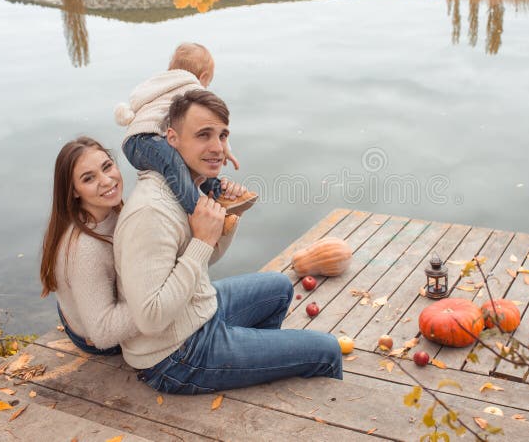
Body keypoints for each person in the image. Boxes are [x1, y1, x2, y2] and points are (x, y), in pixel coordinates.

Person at [114, 90, 343, 394]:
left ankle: (250, 372)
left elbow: (204, 258)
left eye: (222, 136)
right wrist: (202, 240)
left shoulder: (187, 188)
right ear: (172, 138)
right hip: (174, 355)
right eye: (203, 135)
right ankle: (236, 366)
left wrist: (227, 216)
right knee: (327, 350)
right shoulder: (150, 213)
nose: (217, 148)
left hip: (194, 314)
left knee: (279, 287)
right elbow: (150, 317)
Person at [114, 42, 255, 234]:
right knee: (174, 162)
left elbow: (135, 99)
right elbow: (213, 119)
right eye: (208, 82)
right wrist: (226, 148)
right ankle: (199, 212)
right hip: (146, 140)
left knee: (188, 162)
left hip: (134, 143)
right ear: (203, 77)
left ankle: (220, 194)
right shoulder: (192, 86)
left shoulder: (161, 82)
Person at [40, 137, 138, 355]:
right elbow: (102, 333)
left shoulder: (108, 209)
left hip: (90, 305)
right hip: (94, 337)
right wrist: (158, 303)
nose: (106, 180)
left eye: (107, 166)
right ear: (74, 191)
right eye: (88, 178)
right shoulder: (85, 249)